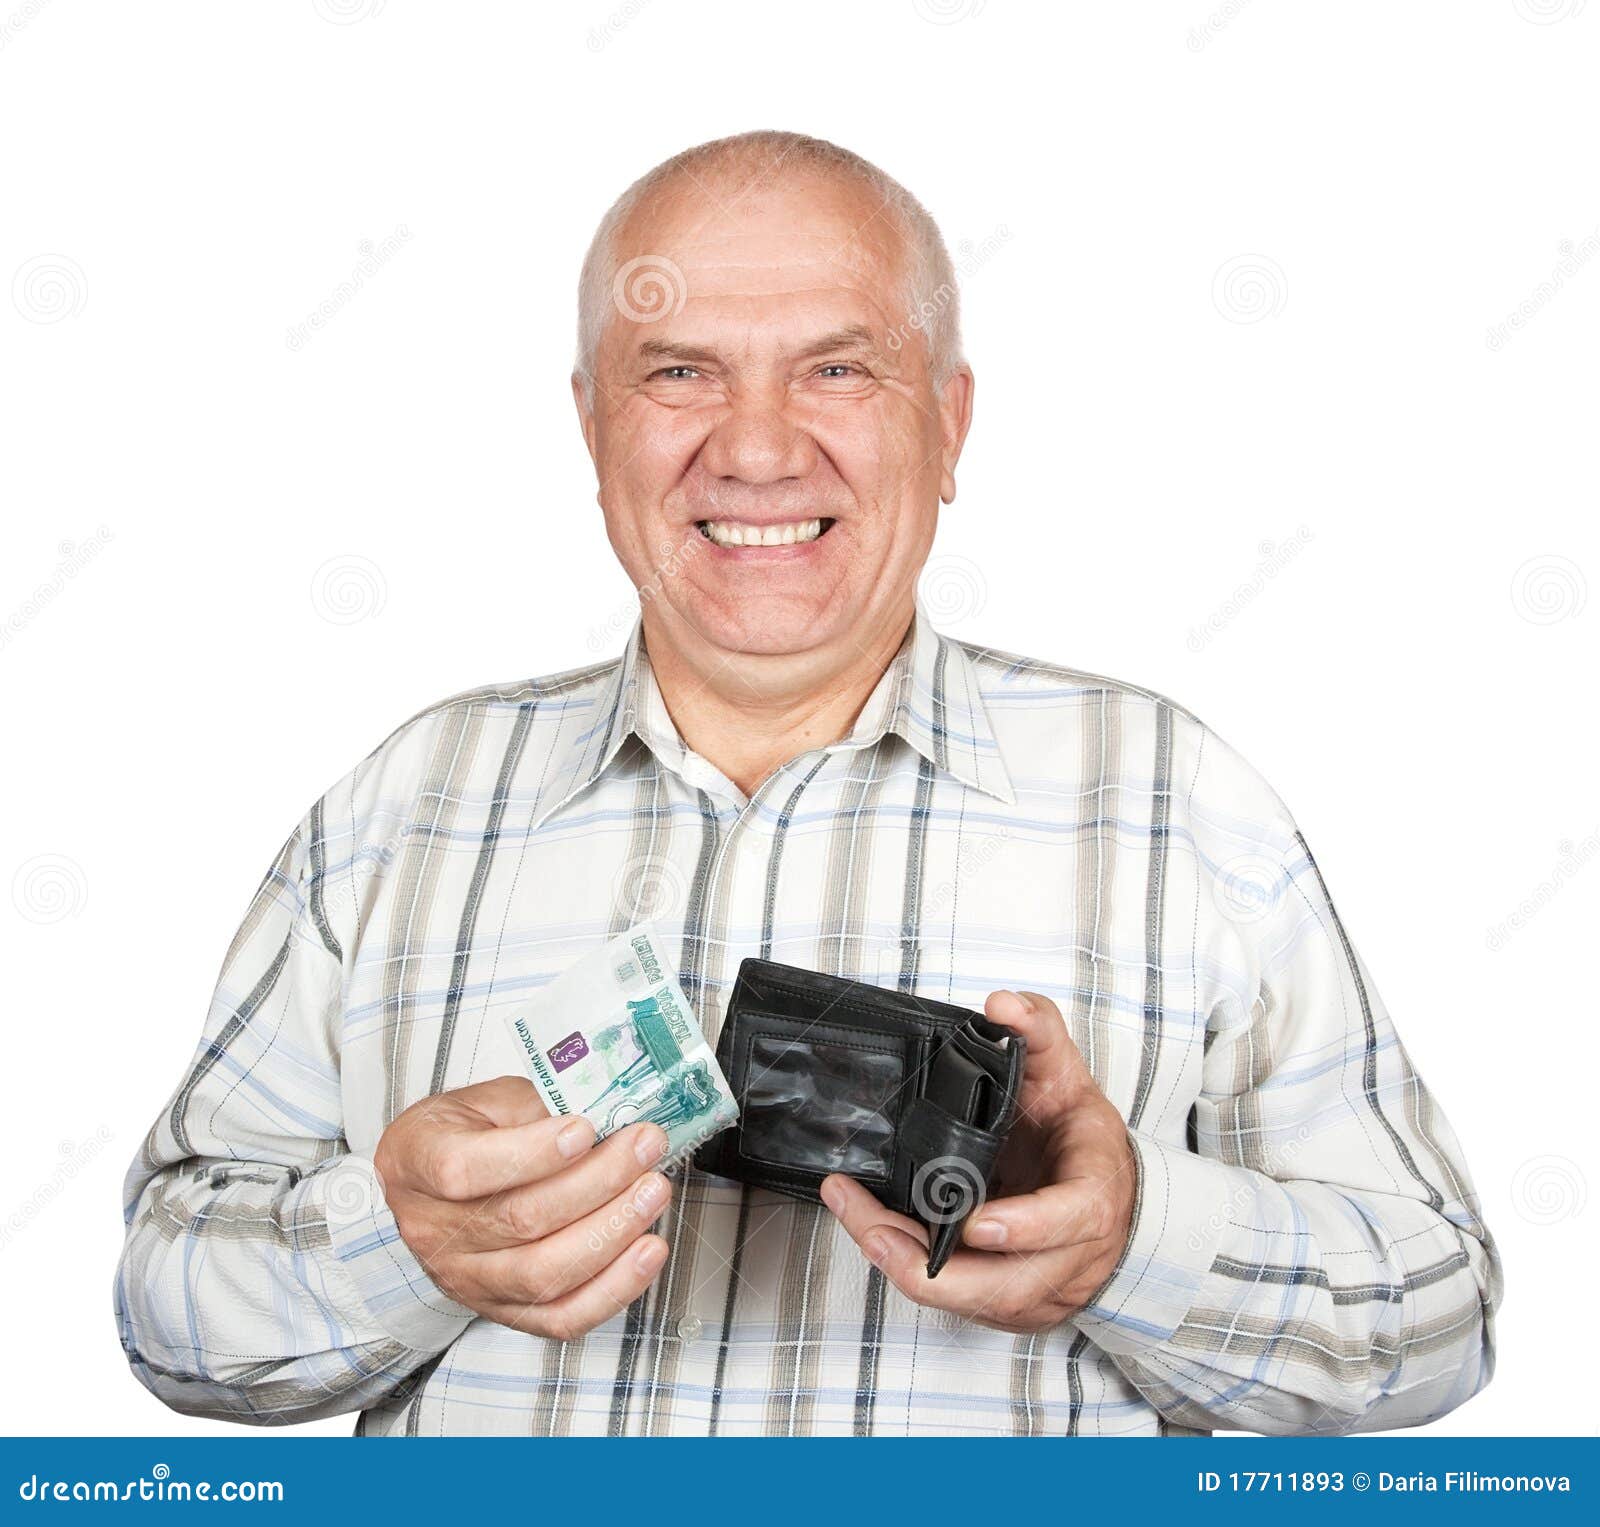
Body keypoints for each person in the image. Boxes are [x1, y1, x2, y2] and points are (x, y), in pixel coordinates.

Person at [115, 130, 1501, 1436]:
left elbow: (1439, 1311)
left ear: (949, 426)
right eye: (679, 373)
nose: (760, 448)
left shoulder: (1178, 803)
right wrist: (395, 1243)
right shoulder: (399, 805)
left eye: (839, 371)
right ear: (592, 428)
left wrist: (1134, 1243)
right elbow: (167, 1311)